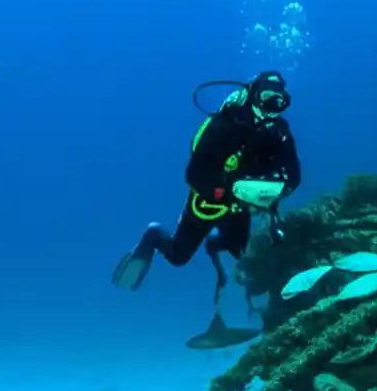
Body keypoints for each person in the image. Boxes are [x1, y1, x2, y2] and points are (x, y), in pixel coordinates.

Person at [112, 70, 302, 309]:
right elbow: (194, 174)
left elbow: (294, 176)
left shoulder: (279, 132)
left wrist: (273, 192)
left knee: (238, 252)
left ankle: (214, 246)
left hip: (242, 206)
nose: (273, 104)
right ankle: (153, 236)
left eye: (280, 99)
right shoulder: (223, 125)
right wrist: (225, 192)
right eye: (267, 96)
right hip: (207, 203)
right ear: (254, 94)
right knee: (178, 257)